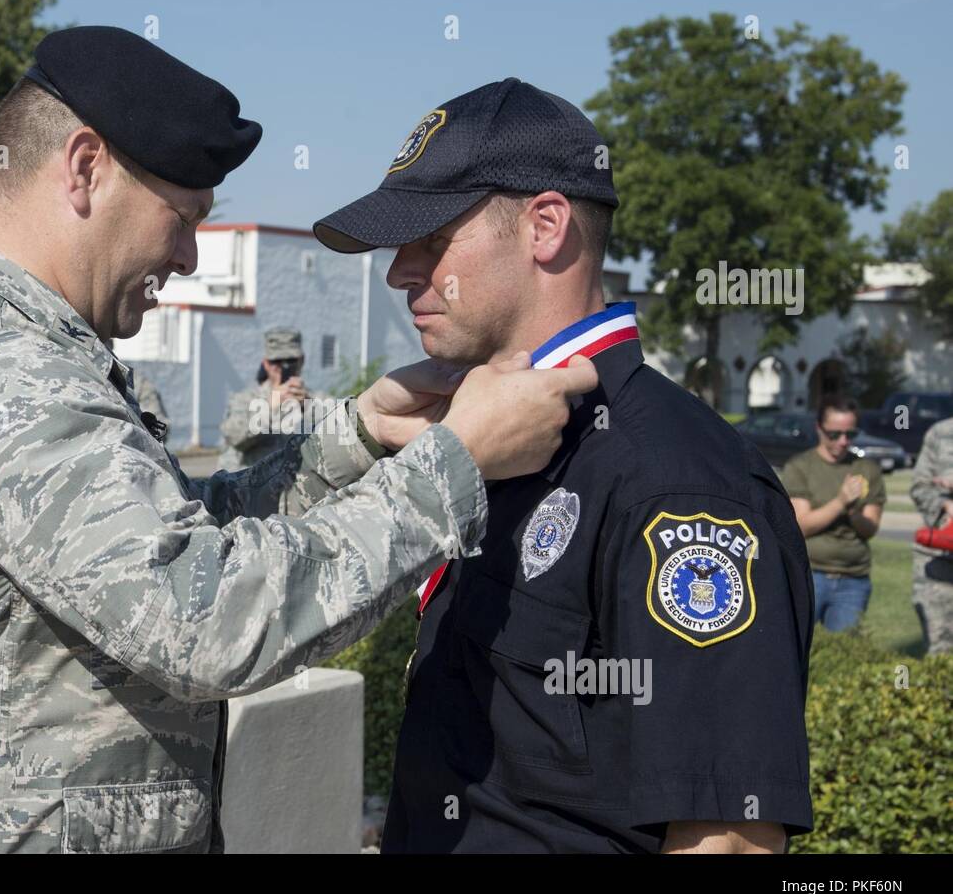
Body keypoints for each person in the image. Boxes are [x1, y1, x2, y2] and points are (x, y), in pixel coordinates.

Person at [0, 27, 597, 853]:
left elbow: (173, 535)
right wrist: (449, 469)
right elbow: (202, 620)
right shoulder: (1, 374)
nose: (191, 257)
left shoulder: (12, 349)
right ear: (84, 167)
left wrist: (359, 437)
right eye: (183, 216)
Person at [314, 78, 814, 853]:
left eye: (431, 237)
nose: (400, 272)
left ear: (545, 226)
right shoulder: (478, 440)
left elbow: (729, 839)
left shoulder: (677, 480)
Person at [783, 395, 885, 632]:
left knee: (843, 654)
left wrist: (853, 511)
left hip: (853, 580)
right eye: (834, 434)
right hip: (809, 575)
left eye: (850, 435)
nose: (842, 441)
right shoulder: (800, 467)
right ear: (819, 428)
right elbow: (801, 526)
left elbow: (870, 529)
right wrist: (840, 502)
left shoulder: (866, 469)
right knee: (798, 654)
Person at [219, 327, 330, 470]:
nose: (283, 366)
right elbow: (235, 437)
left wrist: (307, 406)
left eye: (290, 360)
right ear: (266, 364)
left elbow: (340, 438)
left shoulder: (318, 399)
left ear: (302, 360)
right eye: (276, 361)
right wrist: (268, 407)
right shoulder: (245, 399)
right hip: (251, 487)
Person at [910, 415, 953, 655]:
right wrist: (944, 506)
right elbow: (920, 486)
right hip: (940, 565)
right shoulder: (941, 433)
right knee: (941, 653)